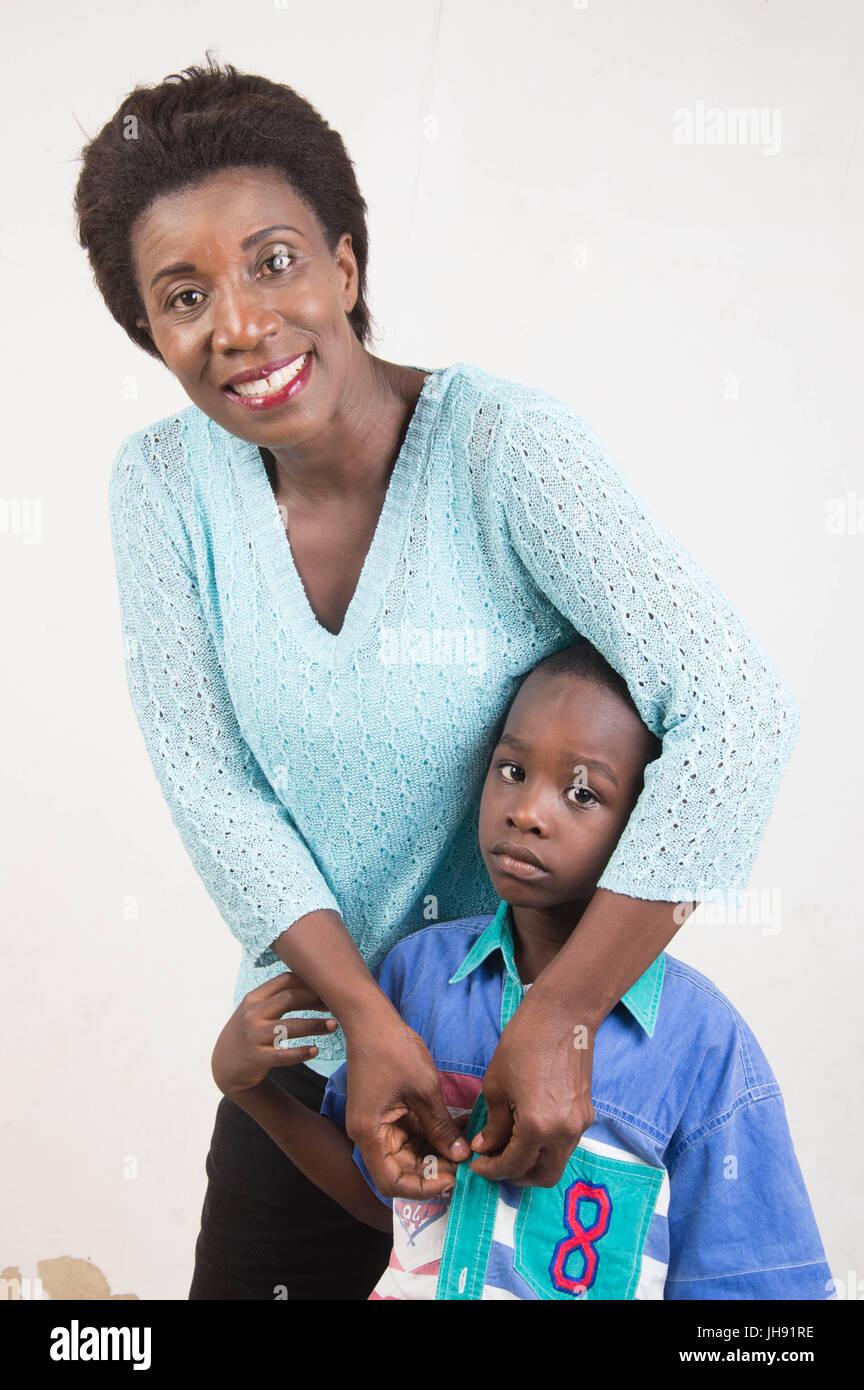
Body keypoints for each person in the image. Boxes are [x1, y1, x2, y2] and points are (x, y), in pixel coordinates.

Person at [75, 55, 802, 1299]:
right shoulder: (159, 489)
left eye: (273, 260)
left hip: (526, 1076)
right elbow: (213, 782)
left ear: (346, 267)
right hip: (315, 1065)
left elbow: (736, 712)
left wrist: (566, 1010)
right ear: (149, 332)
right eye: (184, 293)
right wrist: (361, 1014)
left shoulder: (506, 455)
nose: (240, 324)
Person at [211, 641, 830, 1300]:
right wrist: (250, 1090)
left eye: (583, 792)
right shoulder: (417, 975)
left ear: (649, 828)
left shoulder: (702, 1044)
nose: (528, 811)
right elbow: (390, 1202)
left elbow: (763, 1295)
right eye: (512, 770)